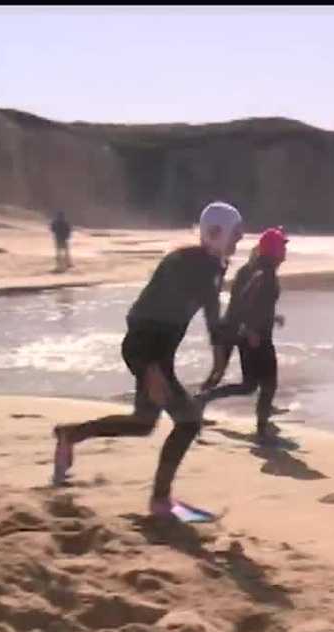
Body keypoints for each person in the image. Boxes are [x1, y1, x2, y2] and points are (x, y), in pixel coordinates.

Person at [50, 201, 244, 516]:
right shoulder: (182, 264)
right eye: (236, 233)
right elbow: (140, 315)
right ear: (215, 233)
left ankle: (70, 435)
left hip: (158, 355)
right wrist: (150, 368)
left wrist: (219, 364)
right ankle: (160, 500)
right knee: (189, 422)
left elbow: (212, 321)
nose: (239, 240)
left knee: (143, 424)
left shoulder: (212, 268)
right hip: (145, 349)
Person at [197, 227, 288, 441]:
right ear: (273, 250)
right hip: (256, 338)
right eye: (282, 246)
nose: (285, 251)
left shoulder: (263, 271)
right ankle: (262, 431)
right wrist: (250, 329)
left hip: (250, 335)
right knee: (268, 384)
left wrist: (269, 320)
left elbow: (257, 304)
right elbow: (246, 299)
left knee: (250, 386)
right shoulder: (263, 273)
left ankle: (204, 398)